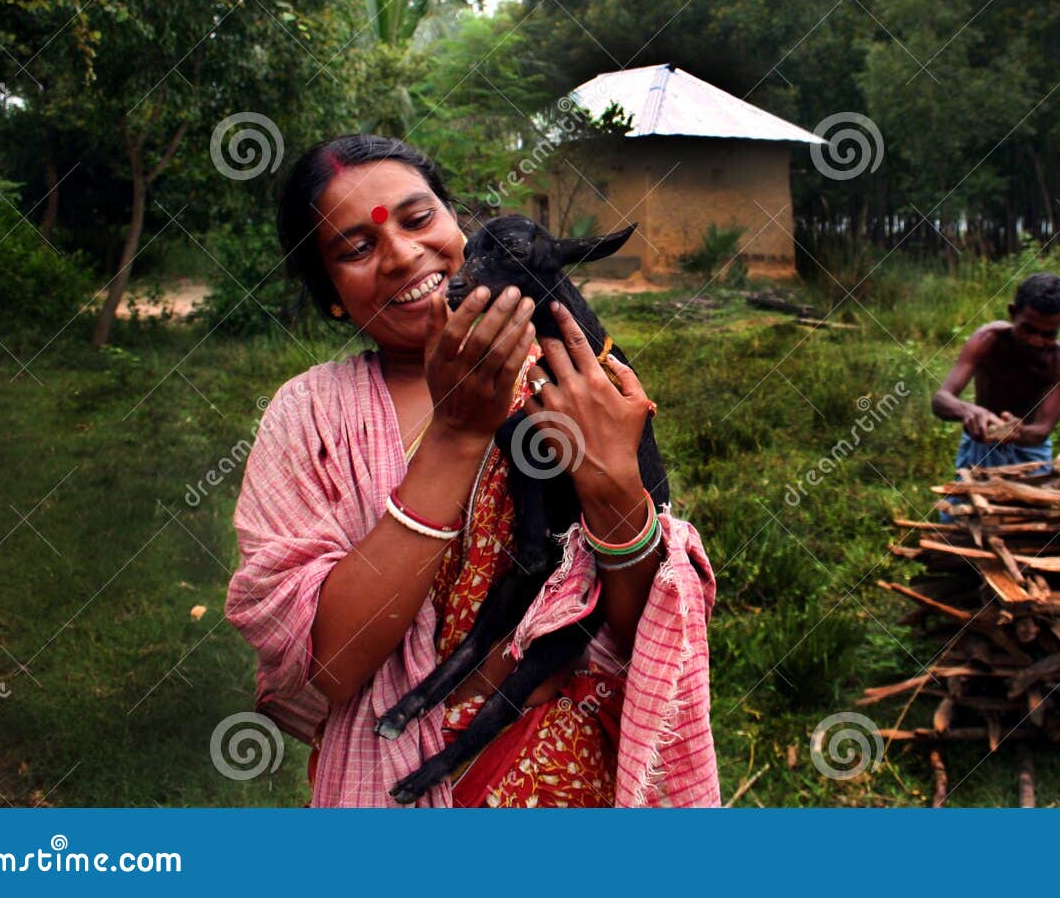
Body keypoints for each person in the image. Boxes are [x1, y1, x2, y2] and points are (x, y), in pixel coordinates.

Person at [224, 134, 721, 807]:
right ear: (332, 295)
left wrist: (613, 494)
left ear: (460, 228)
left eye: (419, 217)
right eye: (357, 247)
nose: (402, 253)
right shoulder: (310, 420)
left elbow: (646, 635)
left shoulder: (572, 384)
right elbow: (333, 665)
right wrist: (457, 435)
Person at [930, 273, 1060, 522]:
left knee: (1032, 520)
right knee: (963, 518)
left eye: (1048, 334)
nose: (1036, 341)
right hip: (982, 443)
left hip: (1031, 450)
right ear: (1013, 313)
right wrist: (970, 411)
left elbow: (1043, 429)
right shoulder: (988, 340)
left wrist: (1019, 433)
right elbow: (941, 399)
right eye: (1028, 329)